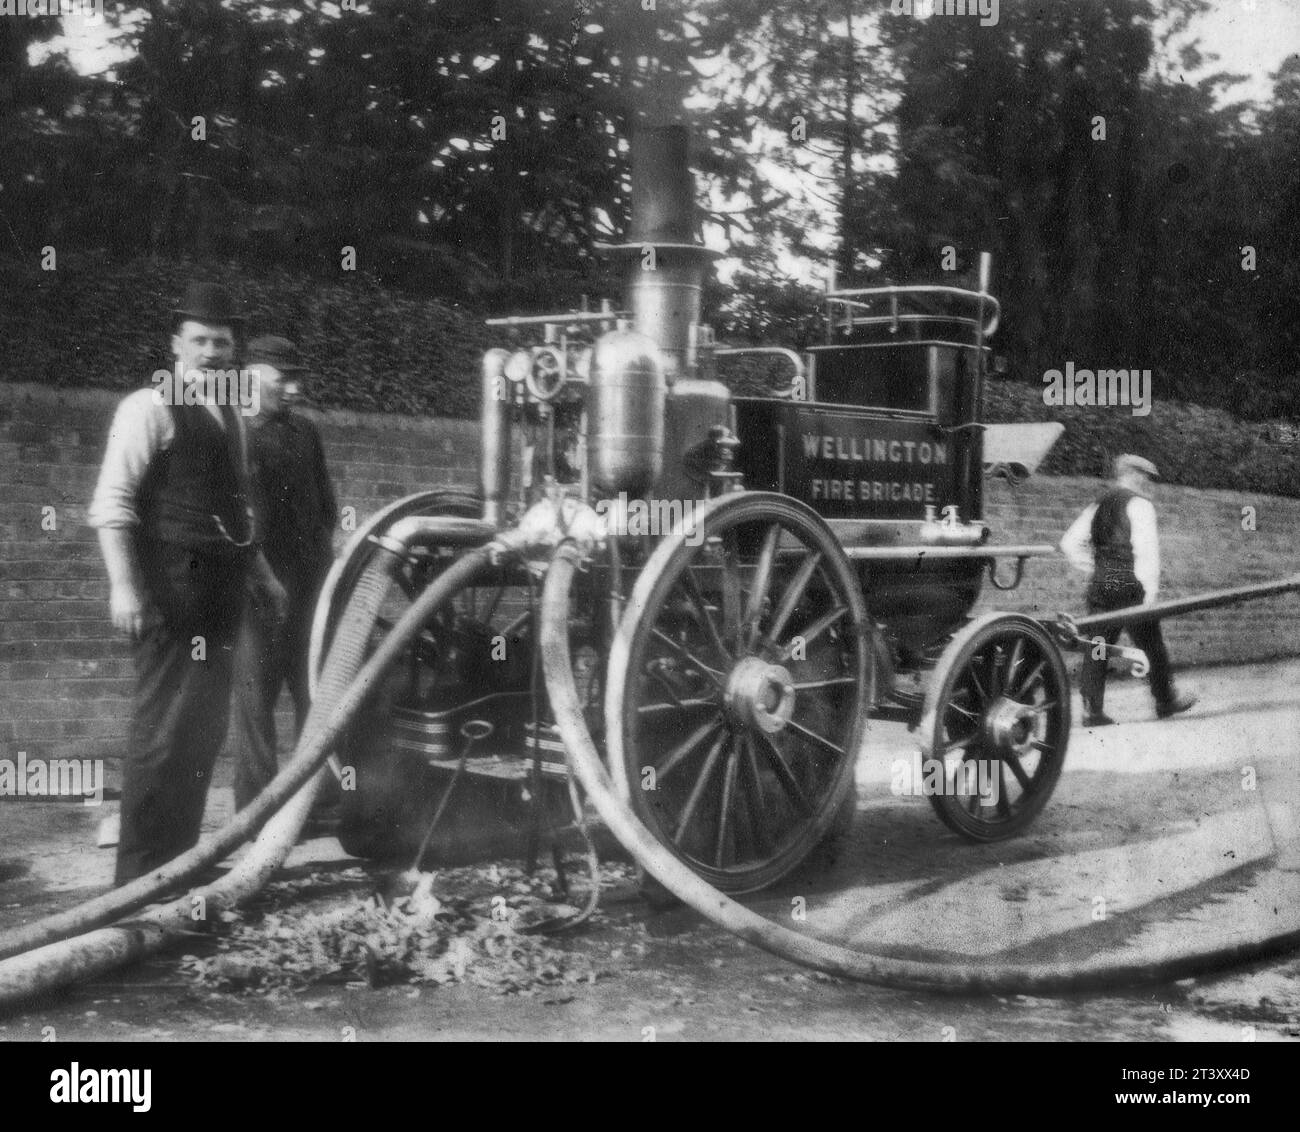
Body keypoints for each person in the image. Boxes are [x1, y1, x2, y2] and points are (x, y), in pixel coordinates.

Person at [89, 283, 287, 885]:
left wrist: (265, 577)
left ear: (234, 349)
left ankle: (181, 875)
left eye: (221, 341)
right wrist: (123, 589)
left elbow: (239, 509)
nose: (210, 351)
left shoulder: (233, 414)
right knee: (161, 735)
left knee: (202, 736)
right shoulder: (146, 408)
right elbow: (112, 505)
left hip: (219, 600)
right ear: (176, 344)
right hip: (168, 598)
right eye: (198, 340)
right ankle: (138, 883)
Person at [229, 335, 338, 813]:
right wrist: (264, 579)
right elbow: (238, 522)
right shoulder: (233, 433)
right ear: (251, 377)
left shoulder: (305, 433)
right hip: (258, 586)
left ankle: (318, 802)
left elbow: (326, 506)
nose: (294, 389)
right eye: (283, 379)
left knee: (316, 690)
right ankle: (257, 814)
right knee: (255, 703)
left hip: (310, 583)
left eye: (297, 379)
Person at [1059, 454, 1197, 727]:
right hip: (1129, 584)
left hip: (1102, 583)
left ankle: (1091, 710)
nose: (1146, 482)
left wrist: (1095, 569)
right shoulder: (1140, 505)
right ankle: (1165, 699)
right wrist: (1149, 593)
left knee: (1098, 645)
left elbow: (1068, 543)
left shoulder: (1098, 504)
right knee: (1152, 644)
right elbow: (1146, 551)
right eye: (1143, 475)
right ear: (1131, 474)